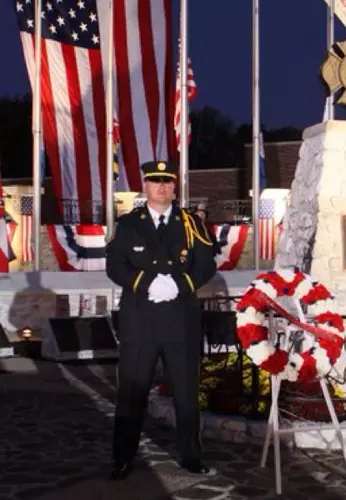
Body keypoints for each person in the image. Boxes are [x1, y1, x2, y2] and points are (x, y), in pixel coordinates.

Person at [106, 160, 217, 480]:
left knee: (185, 392)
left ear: (174, 186)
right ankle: (123, 458)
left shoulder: (191, 223)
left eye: (167, 182)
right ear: (145, 186)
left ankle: (191, 456)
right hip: (140, 323)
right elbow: (114, 265)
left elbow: (206, 264)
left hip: (180, 321)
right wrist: (147, 283)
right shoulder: (129, 224)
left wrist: (179, 285)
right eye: (155, 182)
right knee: (131, 394)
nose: (162, 187)